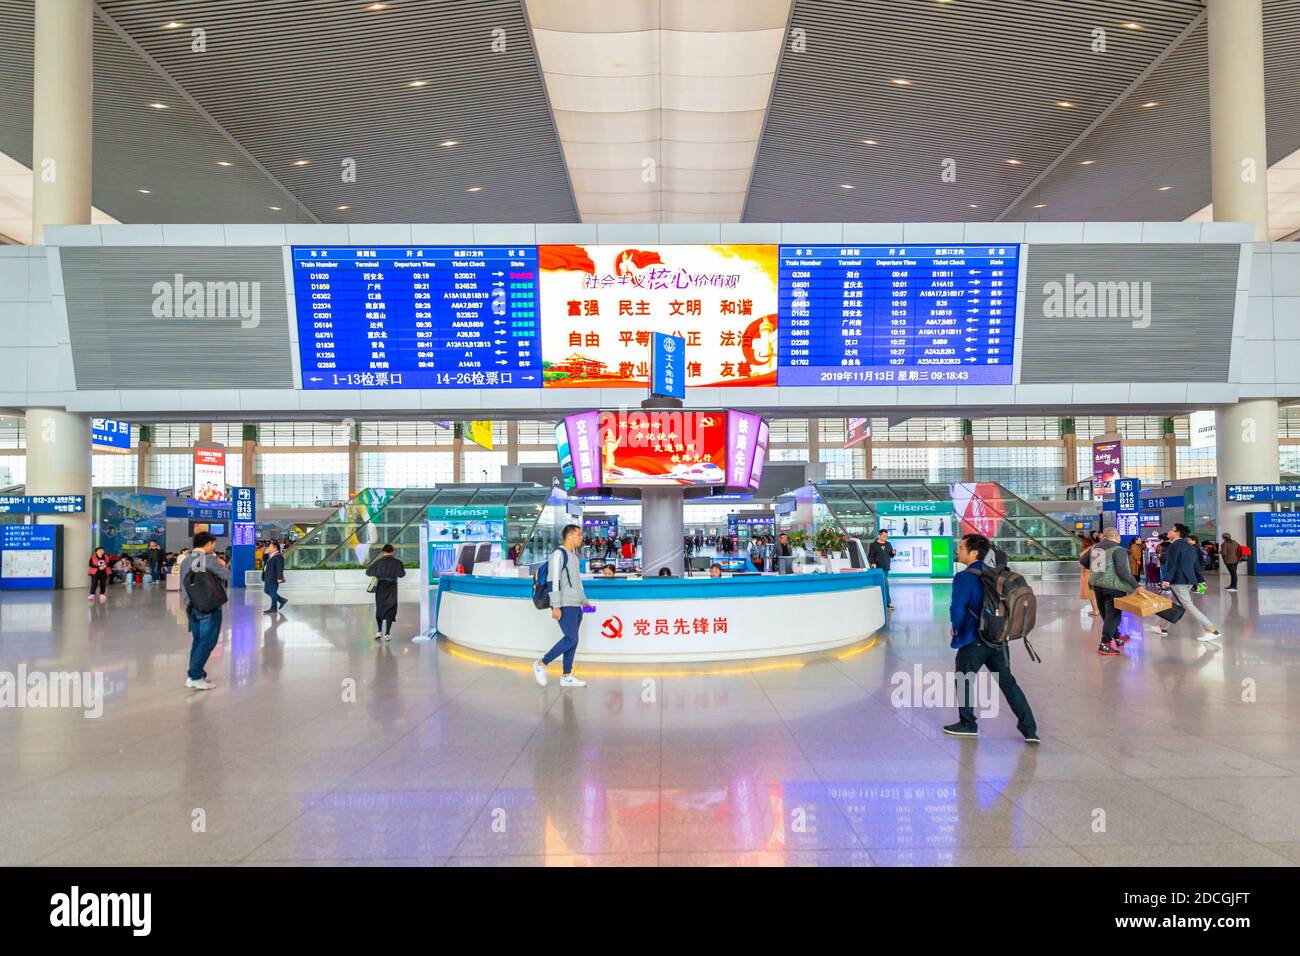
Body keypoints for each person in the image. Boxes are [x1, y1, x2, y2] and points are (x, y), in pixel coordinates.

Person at [943, 533, 1038, 742]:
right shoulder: (995, 574)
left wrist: (956, 627)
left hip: (973, 638)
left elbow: (957, 608)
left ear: (974, 552)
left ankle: (967, 723)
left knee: (965, 678)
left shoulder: (964, 577)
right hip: (998, 637)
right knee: (1008, 683)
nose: (957, 550)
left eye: (961, 547)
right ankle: (1030, 729)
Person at [532, 524, 590, 688]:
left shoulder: (574, 556)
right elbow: (553, 581)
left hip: (575, 605)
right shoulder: (558, 554)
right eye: (579, 535)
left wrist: (584, 601)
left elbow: (578, 583)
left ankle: (566, 675)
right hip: (564, 604)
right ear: (570, 536)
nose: (581, 538)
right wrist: (556, 605)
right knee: (571, 638)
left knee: (573, 640)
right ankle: (541, 664)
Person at [180, 532, 229, 690]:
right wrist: (222, 563)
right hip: (209, 606)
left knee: (198, 641)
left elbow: (184, 584)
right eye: (213, 544)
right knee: (207, 641)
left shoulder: (186, 560)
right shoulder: (209, 559)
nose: (213, 547)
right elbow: (228, 576)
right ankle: (194, 676)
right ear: (208, 544)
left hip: (192, 606)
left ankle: (195, 674)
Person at [1157, 523, 1221, 641]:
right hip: (1189, 580)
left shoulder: (1174, 546)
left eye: (1171, 529)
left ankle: (1211, 629)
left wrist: (1166, 580)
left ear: (1177, 533)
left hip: (1178, 580)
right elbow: (1195, 566)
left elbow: (1172, 564)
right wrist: (1201, 580)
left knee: (1188, 605)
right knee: (1176, 604)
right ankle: (1163, 628)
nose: (1169, 532)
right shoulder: (1190, 546)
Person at [1086, 528, 1141, 656]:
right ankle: (1104, 644)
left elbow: (1084, 561)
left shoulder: (1095, 548)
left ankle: (1117, 638)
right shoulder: (1119, 550)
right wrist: (1136, 585)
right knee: (1113, 616)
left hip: (1097, 585)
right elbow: (1122, 571)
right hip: (1114, 586)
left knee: (1106, 615)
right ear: (1117, 536)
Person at [365, 544, 406, 641]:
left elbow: (368, 572)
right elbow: (402, 574)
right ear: (393, 551)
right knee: (390, 609)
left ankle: (379, 631)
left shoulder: (378, 562)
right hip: (392, 587)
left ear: (383, 551)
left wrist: (378, 574)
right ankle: (387, 633)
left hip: (381, 587)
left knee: (380, 608)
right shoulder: (397, 562)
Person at [867, 529, 896, 611]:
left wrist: (893, 553)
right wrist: (872, 563)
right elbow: (870, 556)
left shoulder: (888, 544)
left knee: (882, 584)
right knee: (885, 584)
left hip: (886, 567)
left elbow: (890, 555)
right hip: (878, 568)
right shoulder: (874, 545)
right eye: (884, 536)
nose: (885, 537)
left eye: (886, 536)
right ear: (879, 535)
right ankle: (888, 602)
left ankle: (881, 602)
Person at [261, 540, 288, 614]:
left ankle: (273, 608)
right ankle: (282, 600)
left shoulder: (279, 556)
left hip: (273, 577)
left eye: (270, 547)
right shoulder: (271, 555)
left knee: (273, 592)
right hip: (267, 576)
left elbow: (280, 568)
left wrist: (279, 577)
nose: (268, 548)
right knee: (266, 591)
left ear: (275, 548)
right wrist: (265, 553)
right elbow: (264, 560)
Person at [1078, 533, 1101, 617]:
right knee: (1096, 592)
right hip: (1096, 573)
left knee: (1091, 593)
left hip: (1087, 573)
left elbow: (1081, 564)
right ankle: (1099, 609)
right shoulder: (1095, 549)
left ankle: (1095, 610)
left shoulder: (1085, 551)